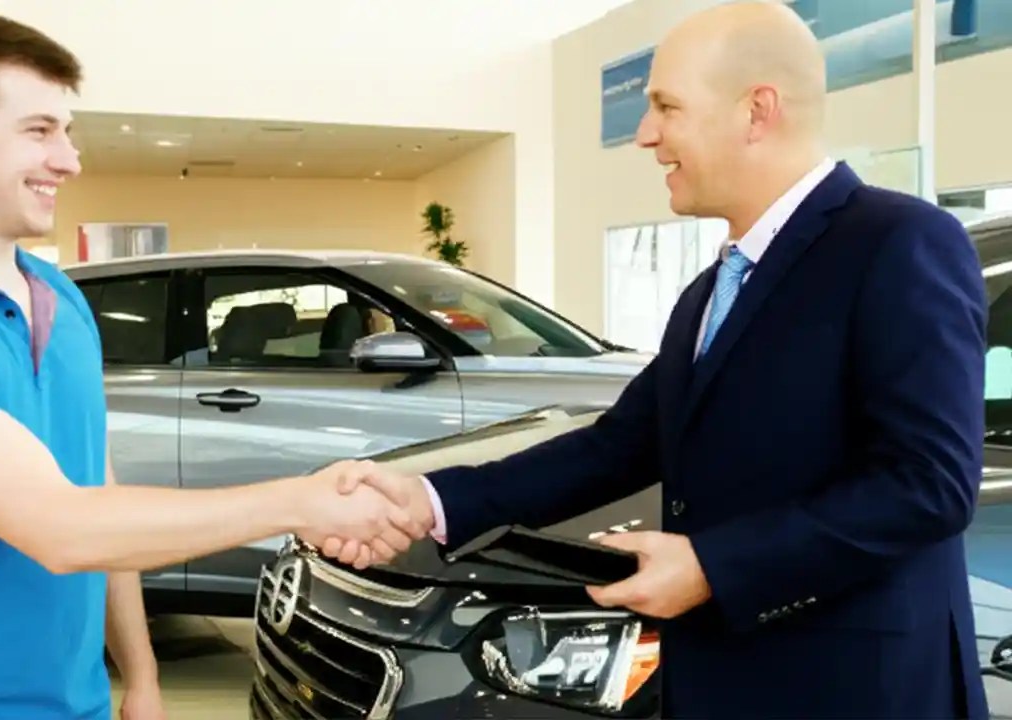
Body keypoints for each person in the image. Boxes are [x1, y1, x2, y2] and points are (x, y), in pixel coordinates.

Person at [331, 2, 990, 718]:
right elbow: (622, 444)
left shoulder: (902, 243)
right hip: (720, 678)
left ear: (756, 110)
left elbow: (928, 483)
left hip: (856, 687)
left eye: (666, 107)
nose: (646, 136)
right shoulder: (712, 288)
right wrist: (432, 498)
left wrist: (714, 566)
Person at [0, 12, 424, 720]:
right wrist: (298, 500)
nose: (70, 160)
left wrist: (140, 676)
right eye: (39, 131)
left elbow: (94, 487)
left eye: (67, 134)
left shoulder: (64, 301)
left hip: (77, 705)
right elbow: (60, 526)